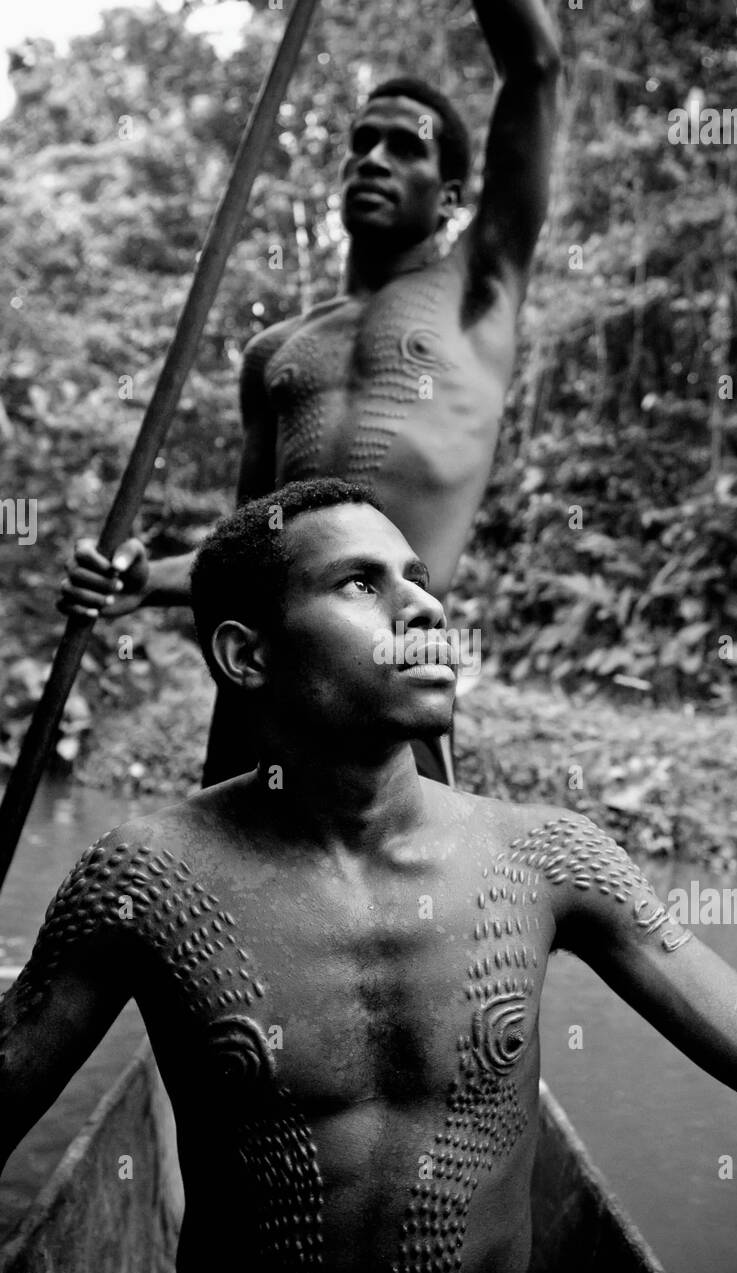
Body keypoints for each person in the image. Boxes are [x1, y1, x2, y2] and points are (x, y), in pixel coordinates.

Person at [7, 480, 737, 1273]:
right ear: (247, 655)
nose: (426, 608)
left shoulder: (547, 856)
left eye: (417, 578)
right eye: (359, 584)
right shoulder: (143, 879)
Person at [58, 0, 562, 788]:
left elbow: (533, 66)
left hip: (393, 662)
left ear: (452, 193)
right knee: (226, 900)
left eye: (405, 147)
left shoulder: (479, 289)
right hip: (266, 681)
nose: (373, 159)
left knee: (405, 896)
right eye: (361, 142)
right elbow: (250, 547)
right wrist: (143, 579)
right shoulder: (274, 353)